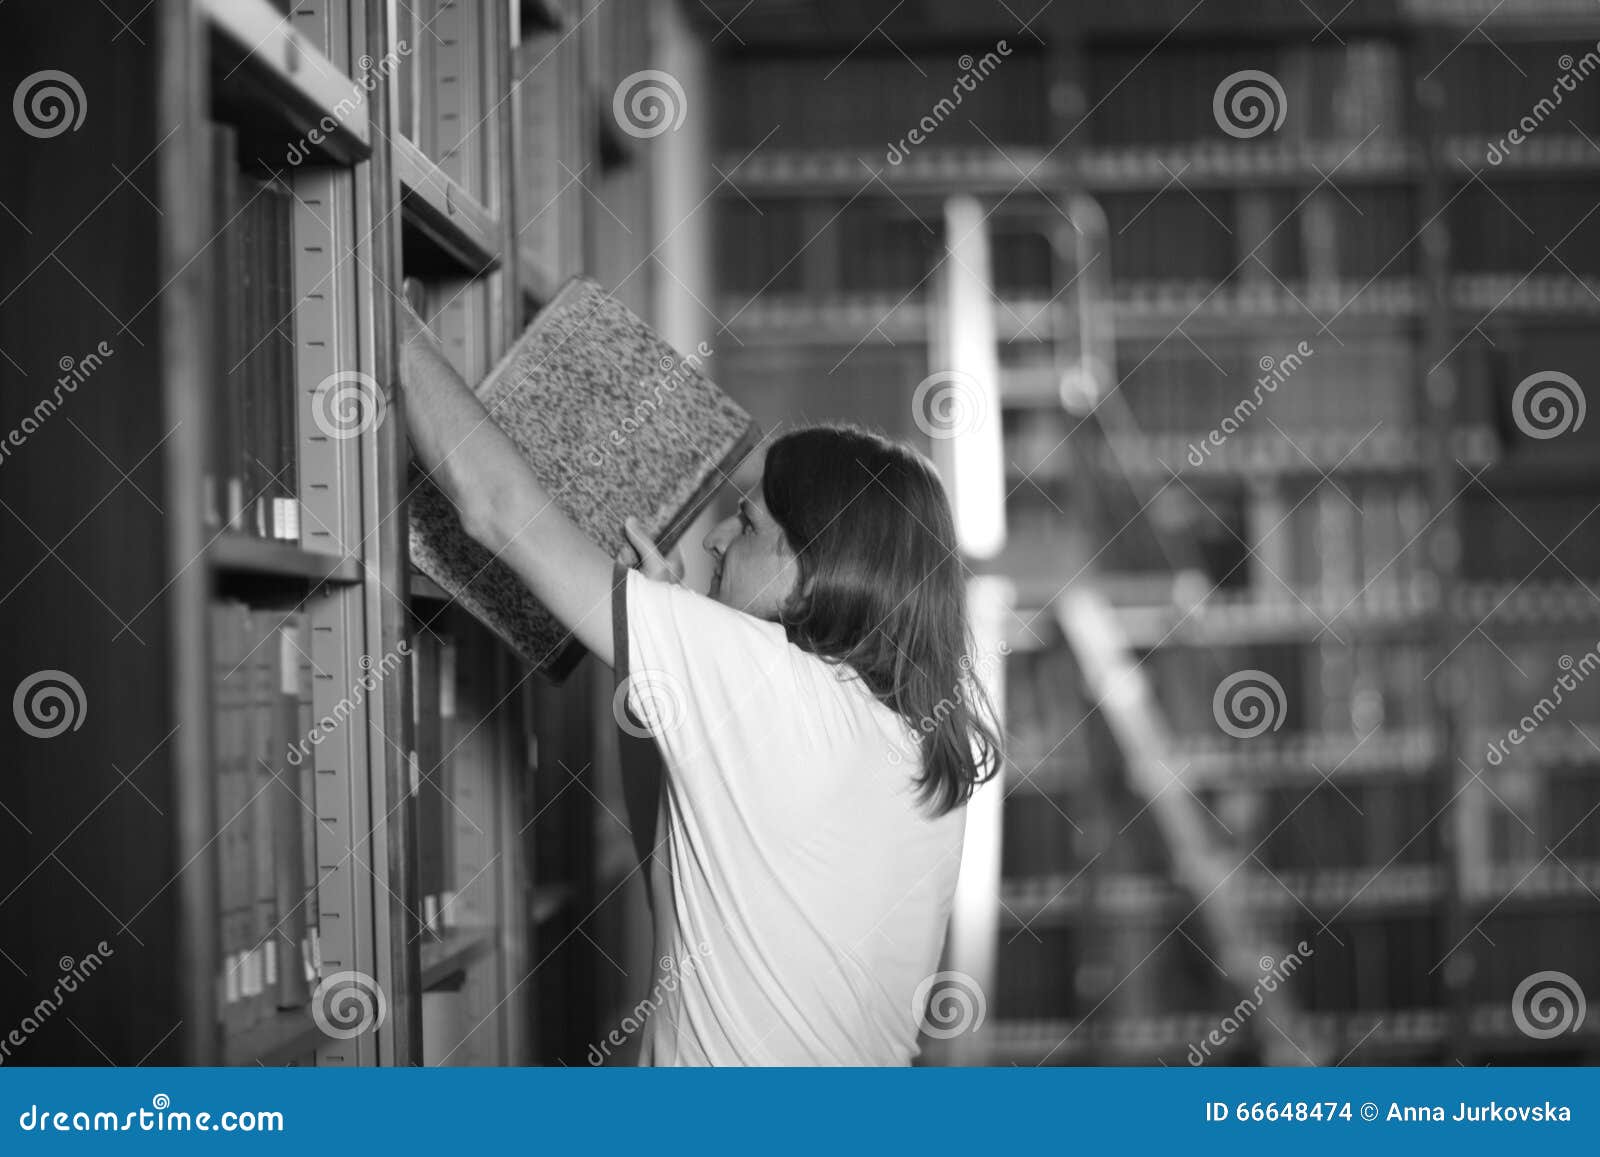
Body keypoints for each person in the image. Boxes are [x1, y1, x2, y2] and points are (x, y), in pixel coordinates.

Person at [399, 304, 1001, 1064]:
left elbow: (496, 509)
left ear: (814, 569)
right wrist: (656, 664)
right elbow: (676, 882)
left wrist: (384, 314)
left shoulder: (769, 682)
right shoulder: (896, 736)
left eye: (747, 525)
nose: (716, 535)